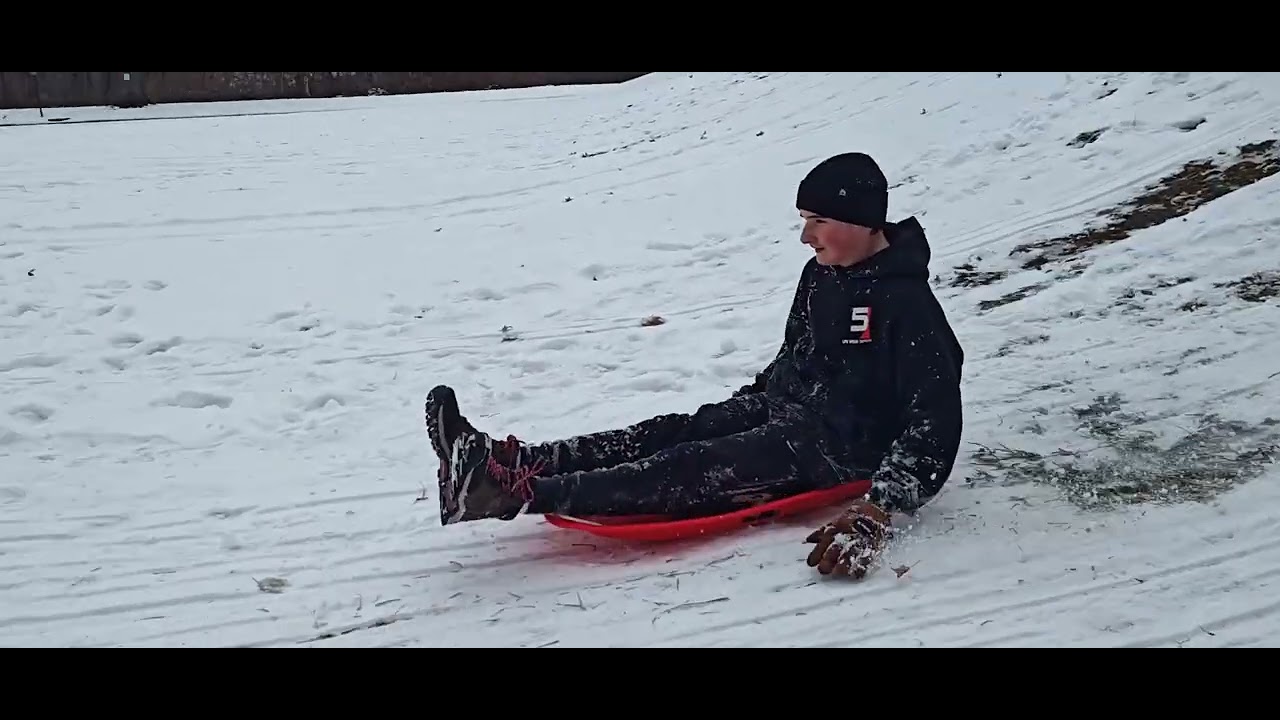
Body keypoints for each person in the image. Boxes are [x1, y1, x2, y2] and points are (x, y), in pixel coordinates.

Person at [425, 152, 964, 579]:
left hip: (839, 449)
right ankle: (512, 460)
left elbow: (935, 420)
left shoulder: (907, 306)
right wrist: (753, 401)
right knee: (669, 431)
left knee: (691, 463)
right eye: (803, 220)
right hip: (787, 409)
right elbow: (794, 353)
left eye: (818, 221)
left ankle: (511, 493)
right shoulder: (820, 275)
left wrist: (881, 507)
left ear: (861, 220)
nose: (806, 236)